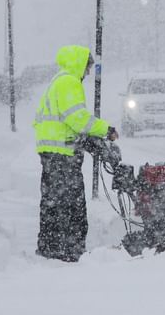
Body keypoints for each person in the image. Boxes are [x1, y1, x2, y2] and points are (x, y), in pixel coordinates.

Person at [33, 44, 117, 262]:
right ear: (80, 64)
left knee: (53, 202)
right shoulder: (69, 82)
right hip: (62, 154)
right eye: (87, 68)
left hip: (53, 151)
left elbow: (65, 121)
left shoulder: (57, 81)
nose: (88, 73)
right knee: (72, 205)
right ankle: (71, 251)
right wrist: (105, 130)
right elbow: (77, 117)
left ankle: (50, 247)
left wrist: (84, 140)